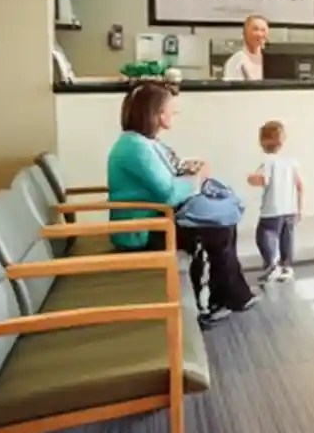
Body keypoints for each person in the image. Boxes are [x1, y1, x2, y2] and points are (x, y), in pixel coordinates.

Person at [108, 83, 257, 316]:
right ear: (156, 113)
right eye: (170, 110)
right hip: (142, 230)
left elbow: (167, 175)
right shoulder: (136, 148)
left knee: (219, 227)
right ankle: (222, 299)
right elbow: (168, 194)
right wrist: (196, 178)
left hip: (155, 219)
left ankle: (223, 297)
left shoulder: (141, 143)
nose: (174, 114)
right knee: (218, 228)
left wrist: (187, 169)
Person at [248, 120, 303, 284]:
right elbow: (300, 185)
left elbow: (263, 180)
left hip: (272, 209)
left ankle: (272, 264)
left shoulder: (268, 161)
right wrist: (300, 208)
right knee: (287, 238)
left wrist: (251, 179)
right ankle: (287, 267)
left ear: (263, 141)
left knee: (264, 236)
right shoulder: (292, 162)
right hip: (290, 209)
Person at [222, 14, 269, 81]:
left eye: (263, 30)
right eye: (255, 29)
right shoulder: (236, 61)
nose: (260, 34)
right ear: (245, 33)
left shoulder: (271, 60)